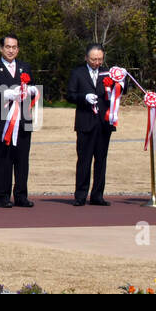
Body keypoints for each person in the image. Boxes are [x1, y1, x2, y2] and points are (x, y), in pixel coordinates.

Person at [0, 34, 37, 208]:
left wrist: (32, 91)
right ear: (1, 48)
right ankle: (3, 196)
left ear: (18, 49)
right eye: (7, 47)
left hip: (23, 121)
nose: (11, 50)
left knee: (22, 161)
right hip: (2, 121)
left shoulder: (25, 67)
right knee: (3, 160)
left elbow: (31, 86)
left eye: (14, 47)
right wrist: (6, 94)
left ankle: (21, 196)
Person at [66, 42, 114, 206]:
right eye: (93, 59)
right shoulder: (78, 73)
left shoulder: (108, 73)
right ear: (86, 57)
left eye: (100, 59)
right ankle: (80, 195)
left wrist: (121, 78)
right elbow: (70, 95)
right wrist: (83, 97)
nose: (97, 62)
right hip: (85, 122)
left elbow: (121, 90)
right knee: (84, 160)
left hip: (104, 123)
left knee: (101, 160)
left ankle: (97, 195)